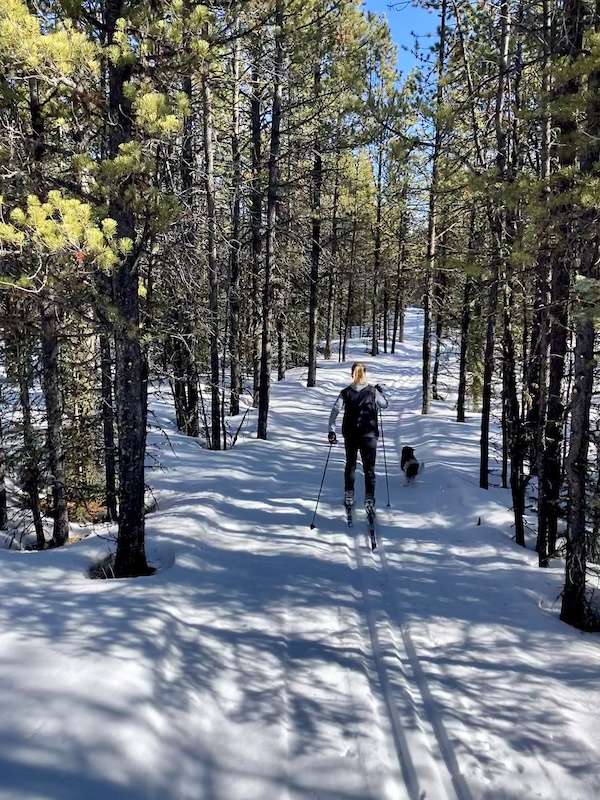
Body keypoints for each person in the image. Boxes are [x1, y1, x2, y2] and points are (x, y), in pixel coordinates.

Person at [327, 362, 388, 520]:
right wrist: (381, 392)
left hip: (351, 434)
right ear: (365, 374)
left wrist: (331, 430)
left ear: (351, 374)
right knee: (369, 467)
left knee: (351, 464)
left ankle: (349, 494)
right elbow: (385, 405)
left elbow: (335, 410)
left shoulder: (345, 392)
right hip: (369, 435)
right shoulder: (373, 391)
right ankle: (369, 498)